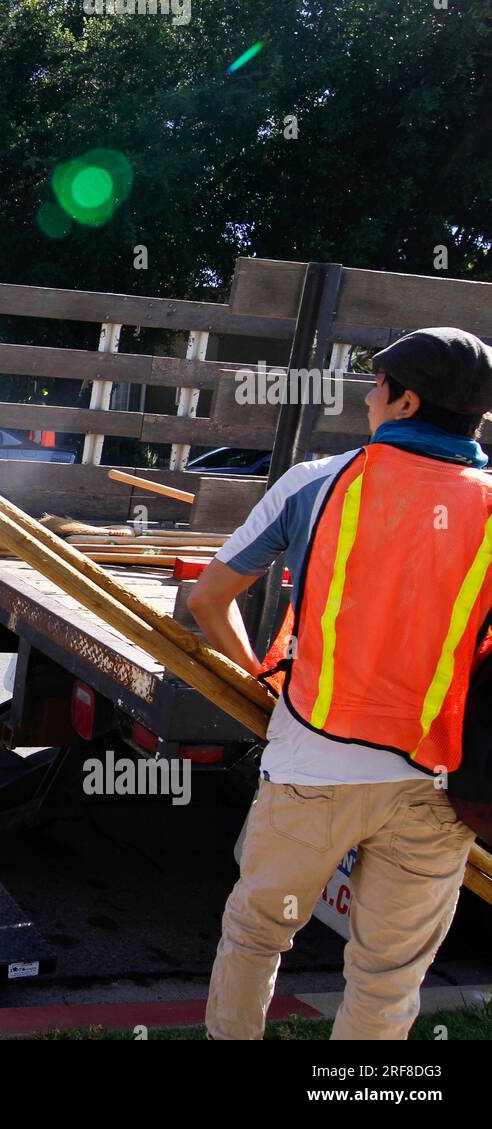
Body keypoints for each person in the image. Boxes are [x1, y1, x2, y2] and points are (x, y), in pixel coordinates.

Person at [188, 327, 492, 1039]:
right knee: (388, 976)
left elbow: (208, 599)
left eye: (377, 384)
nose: (367, 396)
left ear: (406, 399)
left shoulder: (317, 481)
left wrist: (261, 677)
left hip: (310, 768)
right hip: (435, 783)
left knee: (257, 935)